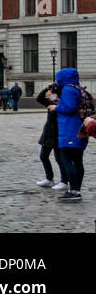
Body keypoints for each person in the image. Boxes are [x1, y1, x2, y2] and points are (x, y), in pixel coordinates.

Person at [51, 67, 88, 202]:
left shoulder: (67, 89)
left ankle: (73, 191)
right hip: (79, 128)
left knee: (67, 160)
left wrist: (55, 107)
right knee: (78, 161)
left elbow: (69, 108)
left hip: (69, 129)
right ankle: (76, 190)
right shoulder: (77, 88)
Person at [36, 83, 66, 190]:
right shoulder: (53, 99)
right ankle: (49, 178)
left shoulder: (64, 101)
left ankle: (64, 181)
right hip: (49, 131)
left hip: (59, 132)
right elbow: (40, 98)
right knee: (43, 156)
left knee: (59, 158)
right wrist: (47, 89)